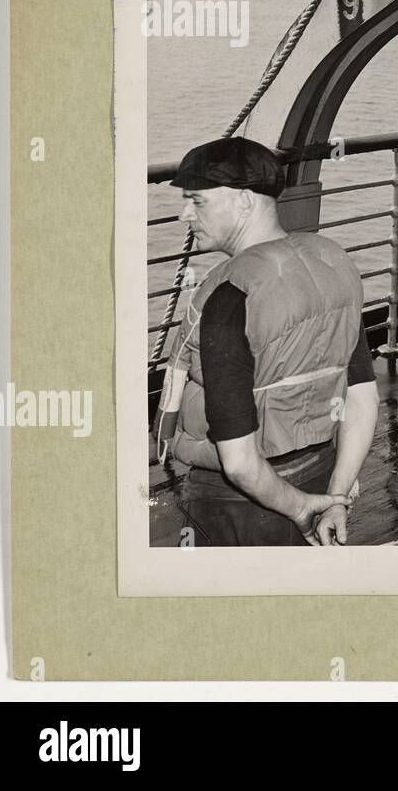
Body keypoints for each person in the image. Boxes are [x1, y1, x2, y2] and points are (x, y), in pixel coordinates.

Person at [155, 137, 377, 546]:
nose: (184, 214)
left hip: (242, 504)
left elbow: (239, 463)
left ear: (244, 201)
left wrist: (300, 509)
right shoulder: (334, 264)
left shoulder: (229, 295)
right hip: (320, 470)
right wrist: (335, 497)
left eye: (197, 202)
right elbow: (362, 396)